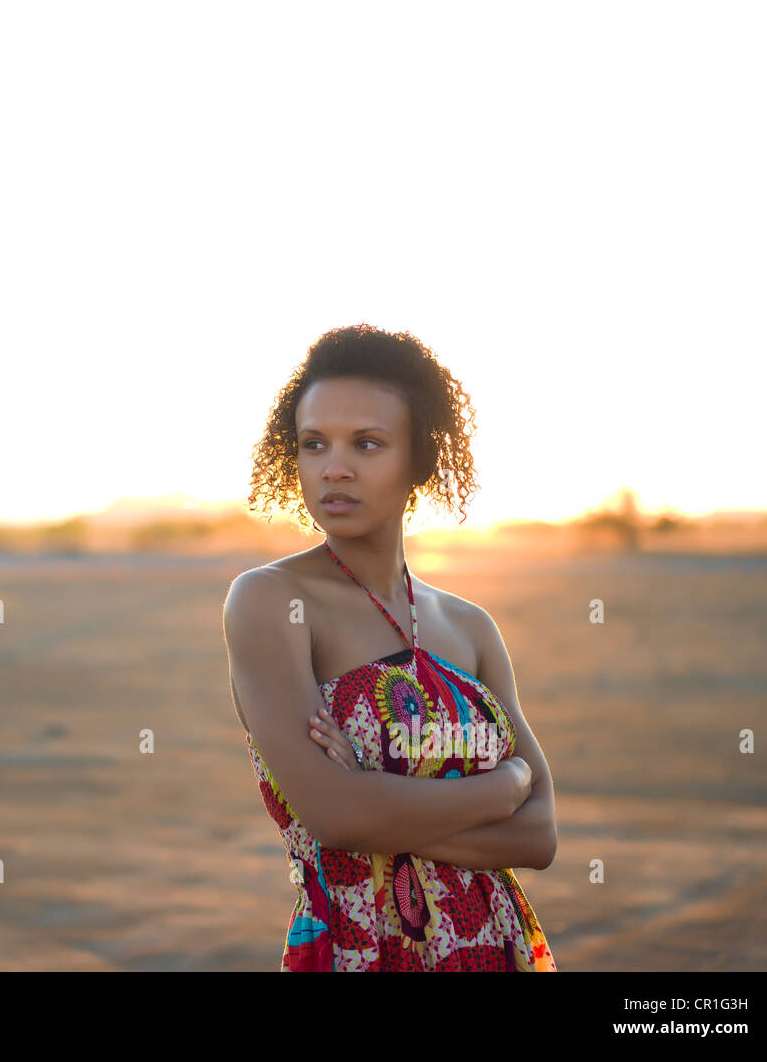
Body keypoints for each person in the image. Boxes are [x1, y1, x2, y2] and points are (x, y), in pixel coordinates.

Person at [223, 323, 557, 971]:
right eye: (313, 443)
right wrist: (502, 787)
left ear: (420, 458)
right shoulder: (271, 601)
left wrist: (382, 805)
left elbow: (539, 835)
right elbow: (336, 816)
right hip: (360, 949)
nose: (334, 467)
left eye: (367, 443)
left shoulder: (470, 626)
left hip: (492, 947)